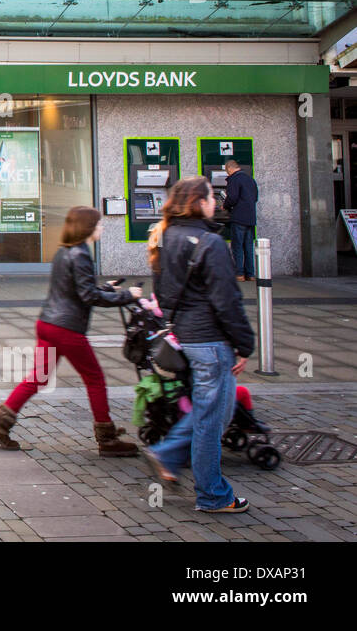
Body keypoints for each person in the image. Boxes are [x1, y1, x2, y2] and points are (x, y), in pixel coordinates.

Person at [0, 206, 143, 456]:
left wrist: (108, 288)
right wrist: (126, 296)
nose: (102, 227)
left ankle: (0, 422)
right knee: (95, 378)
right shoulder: (81, 255)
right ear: (88, 228)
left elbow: (78, 288)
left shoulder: (64, 252)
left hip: (48, 323)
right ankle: (107, 438)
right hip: (66, 328)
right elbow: (87, 295)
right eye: (99, 224)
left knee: (39, 376)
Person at [142, 176, 256, 514]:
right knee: (212, 419)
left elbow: (162, 294)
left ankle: (168, 454)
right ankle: (213, 494)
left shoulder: (163, 236)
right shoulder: (210, 242)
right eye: (212, 197)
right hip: (211, 340)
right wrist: (244, 343)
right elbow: (227, 300)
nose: (216, 203)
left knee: (214, 410)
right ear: (199, 202)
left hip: (187, 337)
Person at [222, 159, 258, 282]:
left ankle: (239, 274)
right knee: (248, 246)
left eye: (227, 172)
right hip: (250, 218)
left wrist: (224, 206)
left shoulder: (234, 179)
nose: (228, 174)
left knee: (237, 247)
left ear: (229, 169)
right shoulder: (250, 180)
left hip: (238, 218)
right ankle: (251, 274)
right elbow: (255, 198)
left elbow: (232, 198)